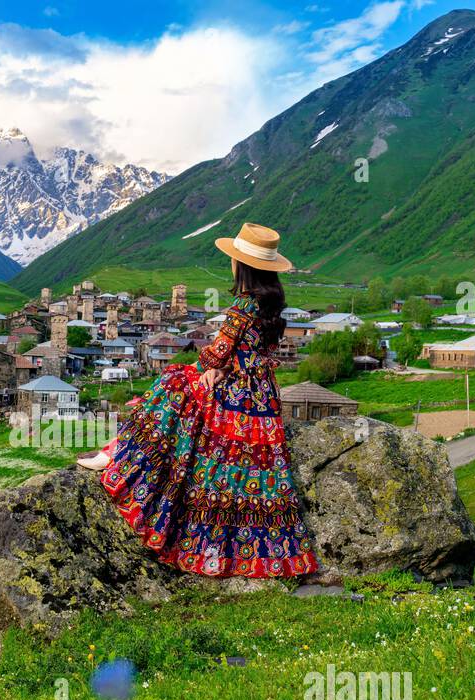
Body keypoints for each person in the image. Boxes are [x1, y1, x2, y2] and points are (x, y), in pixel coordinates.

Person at [77, 223, 318, 579]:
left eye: (234, 260)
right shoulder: (271, 305)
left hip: (235, 392)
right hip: (261, 398)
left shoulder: (243, 304)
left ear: (242, 266)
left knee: (173, 381)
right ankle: (266, 555)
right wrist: (224, 368)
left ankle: (118, 456)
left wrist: (210, 369)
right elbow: (252, 354)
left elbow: (217, 351)